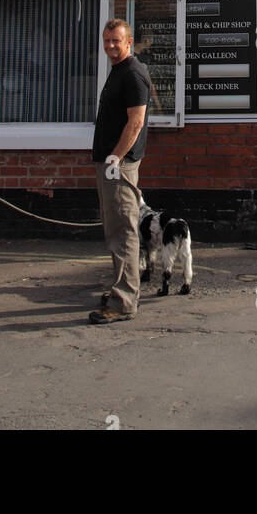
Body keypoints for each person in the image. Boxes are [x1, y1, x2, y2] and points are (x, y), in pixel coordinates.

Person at [88, 19, 152, 324]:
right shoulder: (119, 70)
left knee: (123, 230)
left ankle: (124, 301)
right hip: (111, 162)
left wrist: (115, 157)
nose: (110, 46)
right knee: (114, 229)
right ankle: (121, 289)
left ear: (129, 42)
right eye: (107, 41)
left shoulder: (133, 74)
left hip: (120, 165)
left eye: (116, 41)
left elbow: (135, 122)